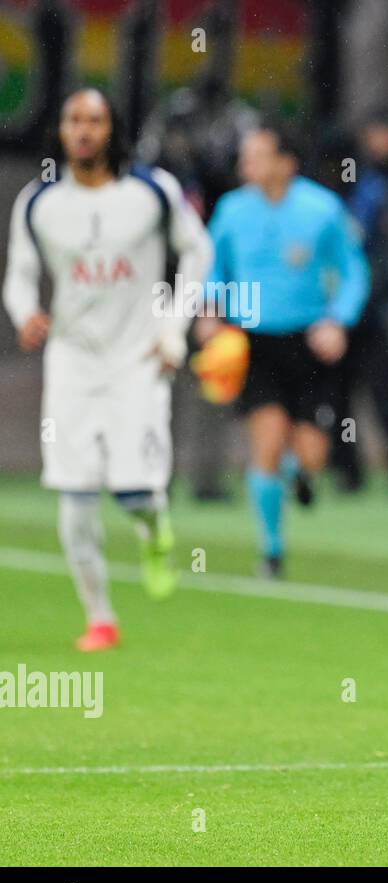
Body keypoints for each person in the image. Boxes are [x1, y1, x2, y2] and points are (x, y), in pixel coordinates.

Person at [2, 88, 213, 651]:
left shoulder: (152, 191)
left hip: (139, 359)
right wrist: (26, 314)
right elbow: (19, 275)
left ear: (112, 128)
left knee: (137, 492)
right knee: (74, 498)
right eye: (74, 120)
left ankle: (153, 531)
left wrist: (173, 328)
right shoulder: (39, 203)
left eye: (95, 120)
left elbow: (198, 252)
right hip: (72, 362)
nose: (84, 130)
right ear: (62, 132)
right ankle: (100, 618)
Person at [197, 122, 370, 578]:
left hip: (309, 341)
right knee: (267, 440)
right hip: (255, 341)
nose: (245, 164)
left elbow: (353, 270)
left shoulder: (322, 209)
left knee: (312, 452)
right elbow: (212, 266)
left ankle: (303, 473)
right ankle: (271, 551)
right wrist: (210, 310)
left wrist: (338, 319)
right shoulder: (232, 210)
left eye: (256, 155)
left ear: (285, 163)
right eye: (244, 156)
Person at [331, 114, 388, 493]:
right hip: (333, 314)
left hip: (367, 311)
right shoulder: (323, 199)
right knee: (338, 393)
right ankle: (347, 468)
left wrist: (377, 293)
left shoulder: (374, 190)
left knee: (384, 391)